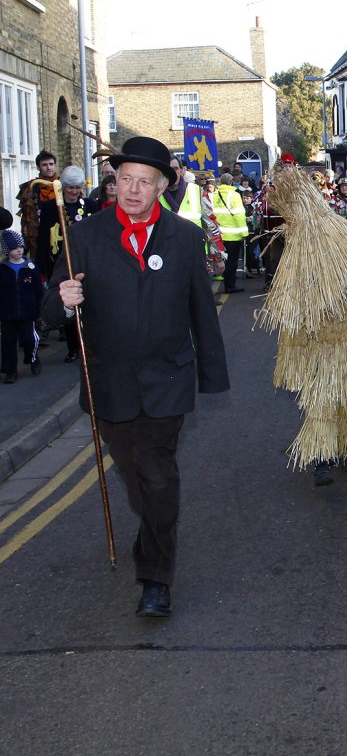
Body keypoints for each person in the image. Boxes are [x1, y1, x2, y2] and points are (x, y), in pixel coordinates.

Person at [43, 136, 229, 617]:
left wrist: (211, 375)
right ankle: (154, 537)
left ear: (162, 187)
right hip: (110, 382)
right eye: (125, 179)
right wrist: (63, 302)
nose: (131, 189)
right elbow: (48, 309)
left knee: (159, 478)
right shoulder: (84, 236)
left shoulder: (185, 239)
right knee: (134, 477)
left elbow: (201, 313)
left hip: (168, 380)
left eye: (143, 182)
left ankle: (155, 579)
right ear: (114, 182)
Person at [36, 165, 98, 361]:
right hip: (60, 262)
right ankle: (73, 348)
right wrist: (42, 265)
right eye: (70, 187)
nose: (73, 191)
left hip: (85, 263)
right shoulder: (50, 208)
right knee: (69, 306)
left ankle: (88, 347)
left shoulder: (90, 206)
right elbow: (43, 238)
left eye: (77, 187)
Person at [1, 229, 43, 383]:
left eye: (20, 246)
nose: (19, 250)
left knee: (29, 339)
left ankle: (32, 358)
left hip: (28, 312)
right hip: (7, 313)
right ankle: (10, 371)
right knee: (8, 343)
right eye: (14, 248)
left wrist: (39, 310)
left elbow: (39, 290)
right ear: (7, 251)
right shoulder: (2, 269)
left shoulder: (30, 267)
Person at [16, 149, 57, 257]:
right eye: (44, 165)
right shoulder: (30, 188)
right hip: (38, 236)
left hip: (59, 233)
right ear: (38, 167)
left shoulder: (65, 185)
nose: (49, 167)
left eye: (51, 164)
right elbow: (26, 219)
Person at [211, 174, 249, 293]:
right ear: (231, 182)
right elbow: (239, 215)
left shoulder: (214, 195)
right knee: (232, 262)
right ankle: (230, 285)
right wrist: (244, 233)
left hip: (219, 235)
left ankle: (223, 282)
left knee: (222, 261)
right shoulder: (234, 195)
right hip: (233, 235)